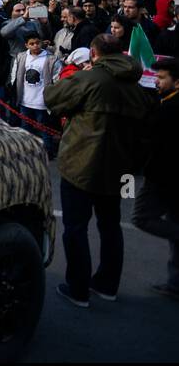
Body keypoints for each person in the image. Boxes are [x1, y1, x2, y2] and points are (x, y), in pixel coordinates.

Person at [45, 35, 156, 308]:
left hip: (81, 163)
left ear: (93, 53)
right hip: (118, 167)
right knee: (110, 226)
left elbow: (52, 97)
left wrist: (79, 77)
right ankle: (107, 284)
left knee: (75, 228)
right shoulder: (138, 87)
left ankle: (78, 288)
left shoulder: (91, 78)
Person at [133, 56, 179, 300]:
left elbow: (151, 137)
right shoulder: (165, 102)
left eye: (162, 78)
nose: (157, 82)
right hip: (166, 175)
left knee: (141, 217)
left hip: (162, 176)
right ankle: (175, 284)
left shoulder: (169, 108)